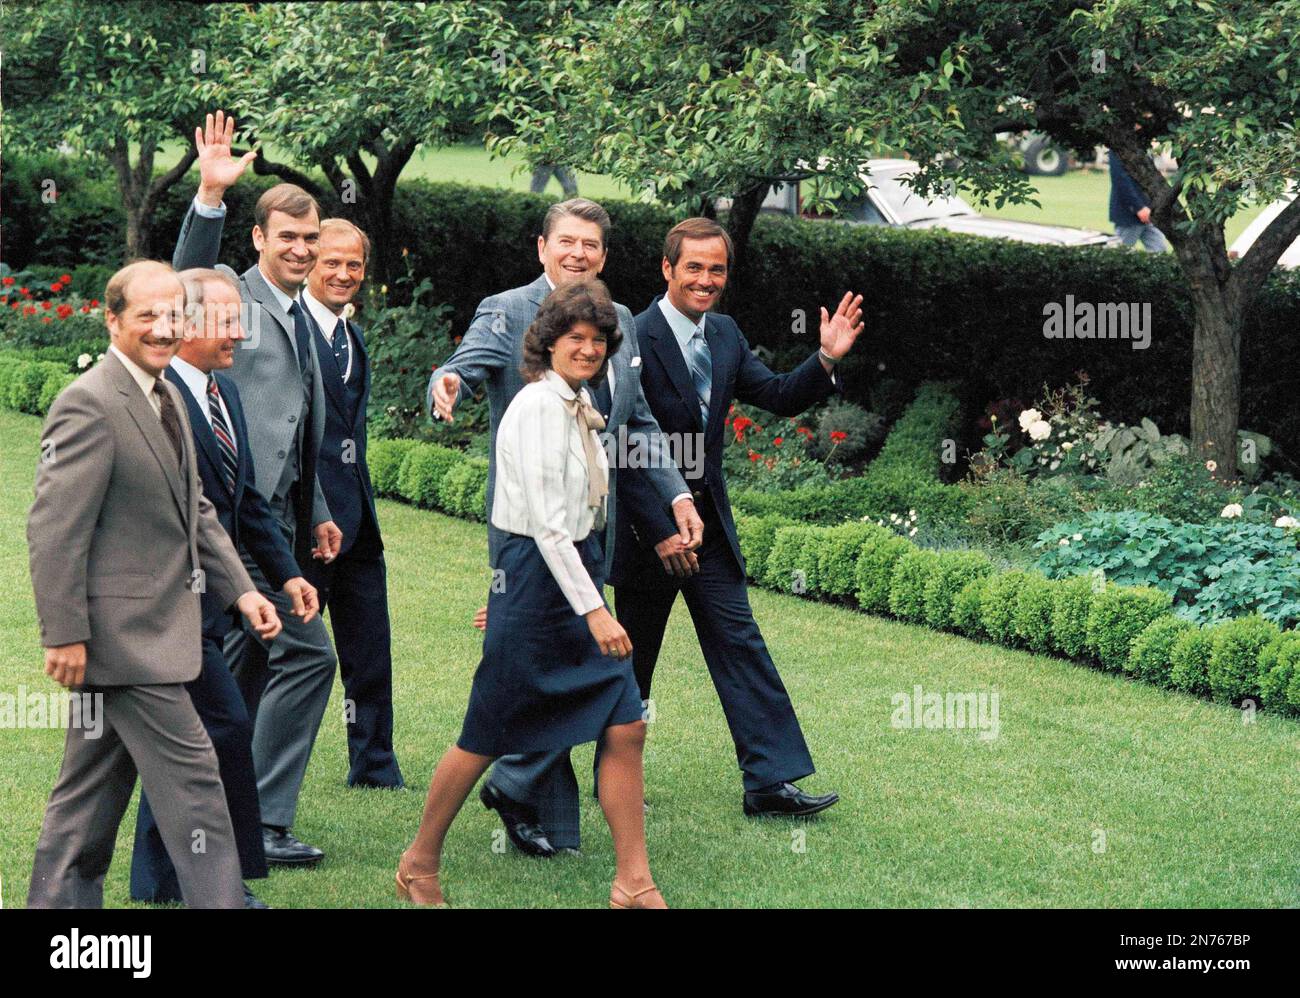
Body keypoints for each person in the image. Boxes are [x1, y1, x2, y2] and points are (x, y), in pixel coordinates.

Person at [428, 198, 701, 857]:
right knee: (549, 669)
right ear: (542, 247)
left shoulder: (621, 322)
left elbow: (634, 423)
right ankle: (511, 804)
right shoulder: (507, 310)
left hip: (589, 527)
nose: (578, 254)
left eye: (591, 245)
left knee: (558, 669)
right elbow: (463, 362)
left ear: (604, 256)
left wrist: (674, 495)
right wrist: (448, 382)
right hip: (530, 530)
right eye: (567, 242)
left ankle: (534, 805)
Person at [399, 280, 666, 909]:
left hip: (568, 573)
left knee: (627, 724)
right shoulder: (539, 406)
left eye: (599, 341)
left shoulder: (577, 403)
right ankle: (419, 861)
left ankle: (634, 882)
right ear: (548, 343)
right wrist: (593, 609)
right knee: (485, 734)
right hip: (543, 578)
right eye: (576, 338)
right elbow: (546, 525)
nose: (589, 350)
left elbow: (578, 519)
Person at [26, 260, 283, 909]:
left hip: (150, 638)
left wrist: (243, 591)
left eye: (174, 314)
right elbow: (54, 529)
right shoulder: (88, 402)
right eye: (148, 315)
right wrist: (64, 635)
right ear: (113, 321)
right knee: (198, 783)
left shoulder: (166, 393)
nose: (164, 327)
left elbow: (195, 508)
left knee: (85, 800)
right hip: (126, 643)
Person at [612, 217, 862, 817]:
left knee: (740, 644)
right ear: (667, 269)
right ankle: (613, 778)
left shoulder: (722, 334)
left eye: (716, 269)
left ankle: (770, 783)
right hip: (648, 532)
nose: (705, 279)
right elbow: (622, 443)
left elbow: (775, 394)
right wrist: (662, 527)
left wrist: (823, 359)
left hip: (711, 533)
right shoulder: (630, 337)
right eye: (693, 267)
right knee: (632, 662)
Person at [173, 110, 342, 866]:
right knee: (299, 659)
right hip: (224, 518)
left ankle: (233, 819)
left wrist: (322, 511)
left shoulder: (306, 315)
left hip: (276, 522)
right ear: (259, 240)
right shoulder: (227, 295)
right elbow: (181, 282)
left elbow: (303, 422)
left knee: (238, 676)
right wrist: (210, 195)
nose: (303, 250)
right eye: (289, 239)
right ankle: (256, 821)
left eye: (313, 240)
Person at [129, 267, 322, 909]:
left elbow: (244, 505)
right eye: (227, 319)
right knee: (220, 730)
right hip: (164, 610)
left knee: (193, 740)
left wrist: (287, 574)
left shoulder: (225, 393)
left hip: (213, 603)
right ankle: (214, 885)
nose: (242, 330)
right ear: (183, 326)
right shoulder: (161, 400)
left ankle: (168, 885)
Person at [300, 219, 404, 789]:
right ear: (309, 261)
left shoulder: (351, 335)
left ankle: (374, 766)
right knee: (291, 658)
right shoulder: (288, 332)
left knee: (370, 652)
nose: (343, 274)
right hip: (306, 524)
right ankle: (258, 768)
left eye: (354, 265)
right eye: (331, 262)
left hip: (359, 523)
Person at [1108, 152, 1169, 252]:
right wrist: (1138, 207)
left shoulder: (1141, 146)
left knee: (1159, 251)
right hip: (1129, 213)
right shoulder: (1117, 147)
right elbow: (1121, 180)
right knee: (1120, 251)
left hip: (1150, 210)